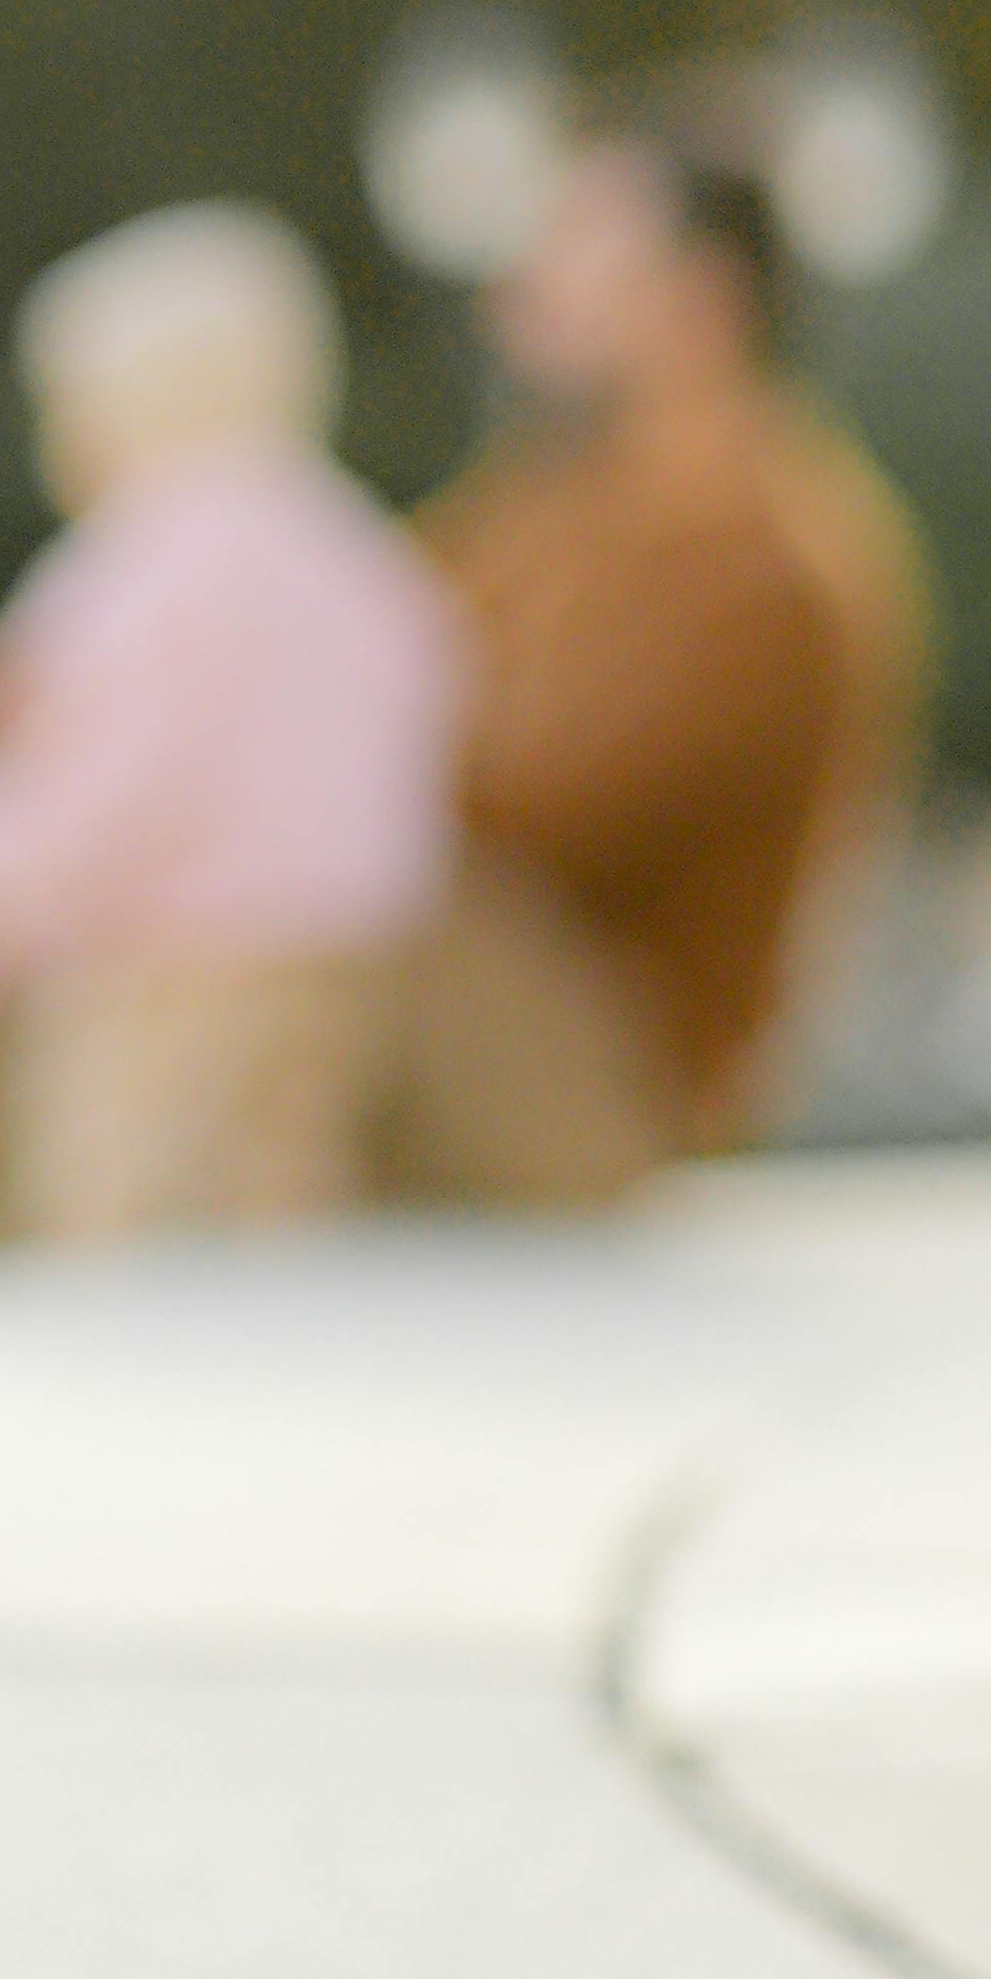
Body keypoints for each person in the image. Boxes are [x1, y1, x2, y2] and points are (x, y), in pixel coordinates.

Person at [0, 204, 466, 1244]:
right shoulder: (352, 545)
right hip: (342, 959)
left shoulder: (153, 557)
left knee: (122, 1222)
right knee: (273, 1210)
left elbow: (123, 784)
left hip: (163, 968)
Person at [390, 116, 930, 1198]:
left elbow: (530, 819)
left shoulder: (768, 555)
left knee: (303, 907)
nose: (526, 270)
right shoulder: (544, 506)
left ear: (704, 296)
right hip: (480, 1008)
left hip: (614, 1090)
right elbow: (351, 655)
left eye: (578, 238)